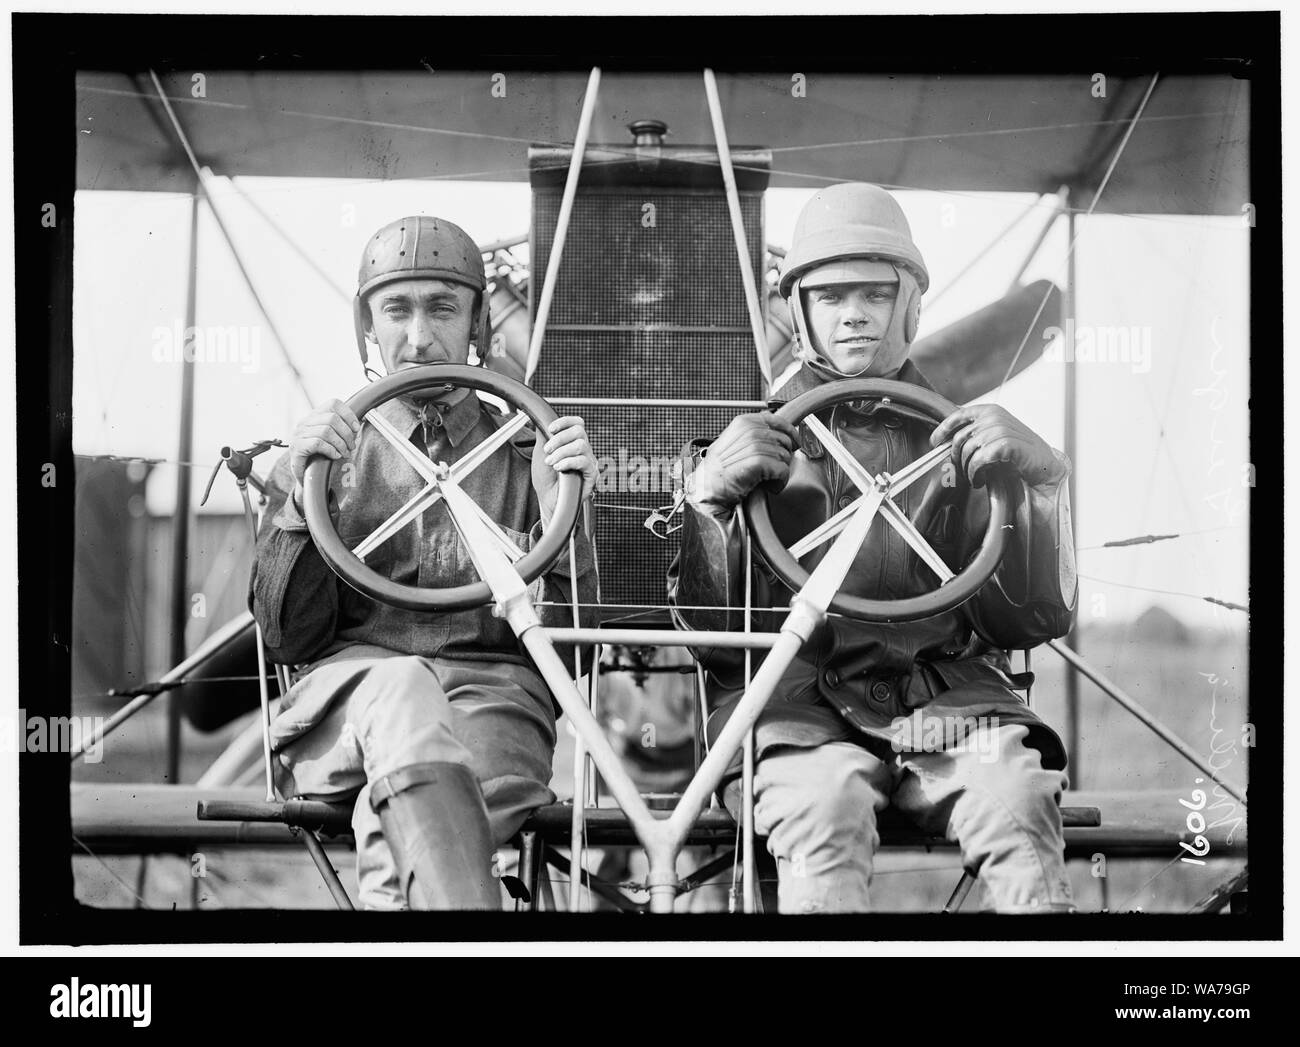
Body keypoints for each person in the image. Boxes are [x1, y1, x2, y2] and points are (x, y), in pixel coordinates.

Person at [668, 183, 1078, 914]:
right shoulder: (745, 449)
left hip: (951, 709)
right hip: (798, 710)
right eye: (830, 296)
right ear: (799, 313)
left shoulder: (967, 446)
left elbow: (1029, 620)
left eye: (873, 293)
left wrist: (1042, 487)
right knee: (822, 808)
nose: (853, 312)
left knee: (1016, 796)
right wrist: (708, 501)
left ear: (911, 304)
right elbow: (716, 643)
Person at [249, 216, 598, 910]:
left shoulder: (530, 452)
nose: (417, 336)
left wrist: (565, 521)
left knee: (397, 831)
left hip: (492, 703)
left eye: (442, 307)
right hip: (347, 705)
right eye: (396, 310)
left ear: (479, 323)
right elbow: (286, 637)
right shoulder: (330, 454)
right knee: (403, 685)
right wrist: (296, 498)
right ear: (367, 328)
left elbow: (572, 658)